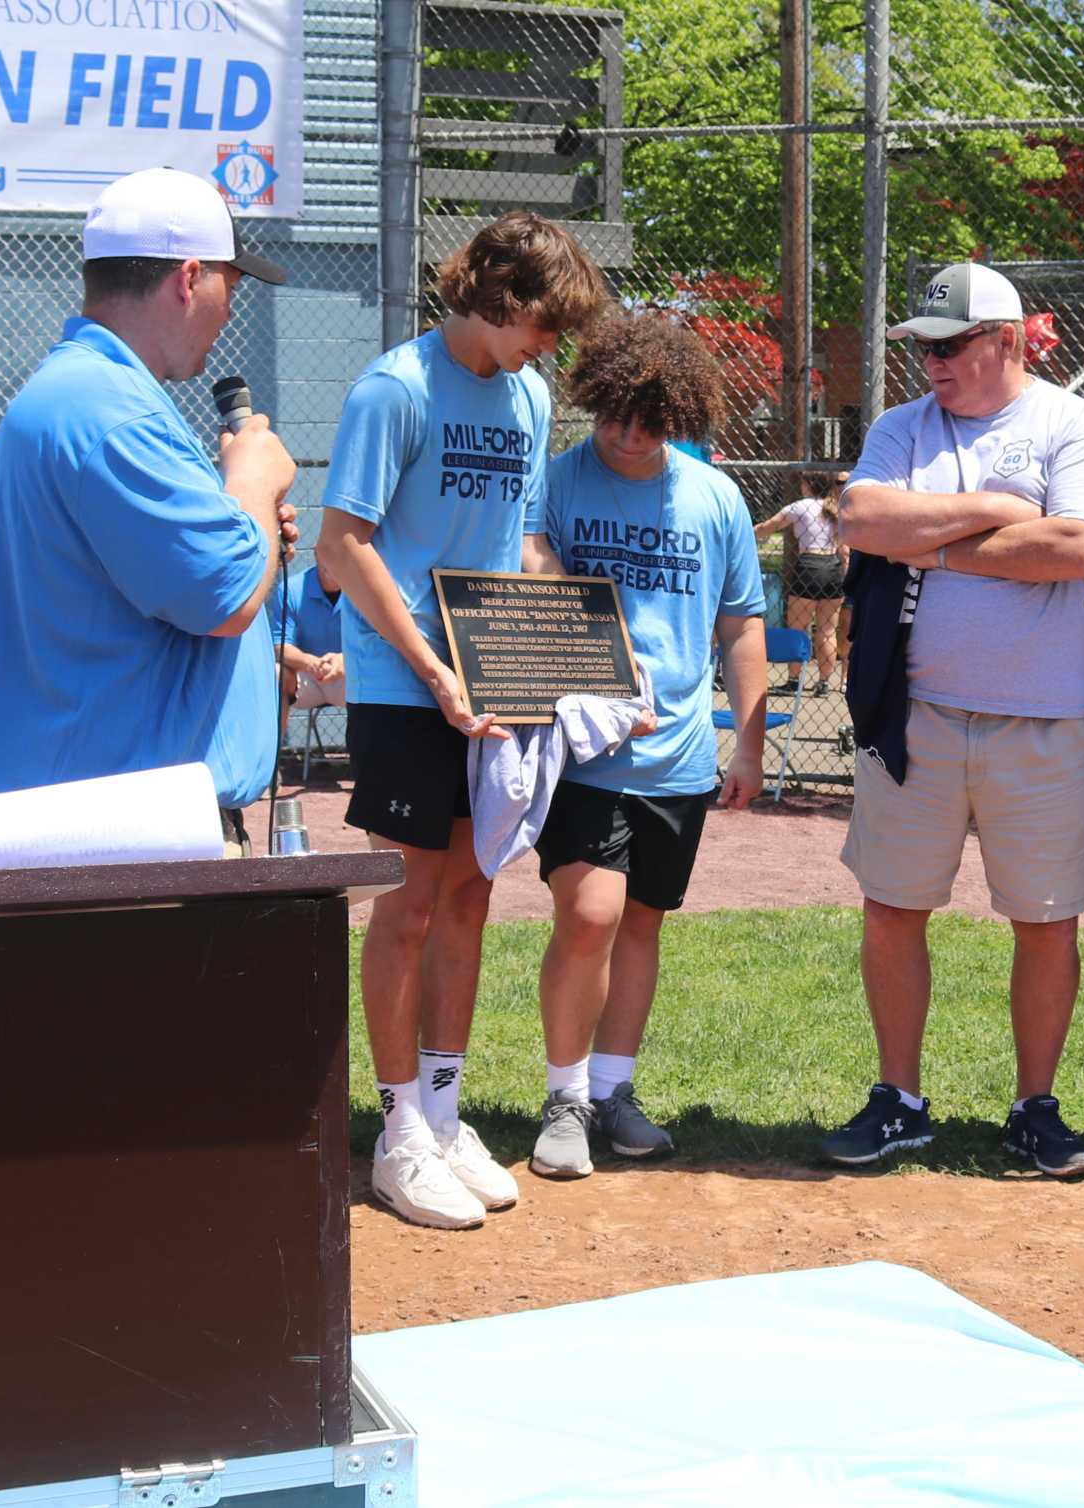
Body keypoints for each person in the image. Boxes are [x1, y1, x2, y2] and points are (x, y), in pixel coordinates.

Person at [314, 210, 610, 1230]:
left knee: (472, 894)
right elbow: (343, 546)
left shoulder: (528, 396)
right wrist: (433, 667)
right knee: (410, 903)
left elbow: (520, 543)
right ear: (501, 298)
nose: (551, 348)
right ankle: (398, 1130)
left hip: (492, 682)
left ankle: (442, 1114)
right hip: (405, 684)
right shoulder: (394, 388)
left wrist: (584, 654)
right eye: (544, 325)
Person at [822, 262, 1084, 1177]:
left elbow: (1076, 545)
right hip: (914, 714)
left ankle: (1035, 1107)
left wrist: (934, 549)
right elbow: (861, 517)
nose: (934, 362)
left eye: (952, 344)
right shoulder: (901, 427)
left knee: (1046, 920)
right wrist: (995, 513)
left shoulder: (1073, 424)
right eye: (924, 346)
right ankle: (899, 1099)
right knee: (892, 908)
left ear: (1010, 340)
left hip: (1046, 719)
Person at [0, 167, 297, 858]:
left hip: (98, 818)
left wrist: (248, 523)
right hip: (123, 836)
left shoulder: (85, 391)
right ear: (189, 278)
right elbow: (225, 598)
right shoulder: (111, 409)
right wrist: (253, 482)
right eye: (230, 286)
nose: (230, 312)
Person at [527, 314, 769, 1179]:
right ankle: (564, 1099)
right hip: (584, 752)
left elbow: (741, 623)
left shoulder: (716, 498)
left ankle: (613, 1092)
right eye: (614, 416)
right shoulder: (558, 479)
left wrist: (748, 746)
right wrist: (590, 638)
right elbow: (529, 561)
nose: (628, 436)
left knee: (639, 924)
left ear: (681, 419)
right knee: (590, 915)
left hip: (679, 758)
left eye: (650, 422)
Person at [754, 471, 846, 691]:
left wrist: (751, 532)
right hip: (832, 566)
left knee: (798, 626)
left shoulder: (799, 506)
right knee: (827, 630)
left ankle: (794, 680)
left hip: (809, 566)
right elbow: (844, 548)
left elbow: (771, 525)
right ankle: (824, 682)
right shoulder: (836, 508)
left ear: (808, 485)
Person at [272, 557, 347, 731]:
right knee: (276, 674)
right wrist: (309, 662)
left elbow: (376, 641)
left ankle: (371, 748)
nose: (332, 557)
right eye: (327, 551)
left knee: (382, 671)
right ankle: (273, 747)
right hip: (306, 678)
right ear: (317, 553)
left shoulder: (364, 585)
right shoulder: (290, 588)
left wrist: (344, 661)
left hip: (350, 676)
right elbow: (280, 646)